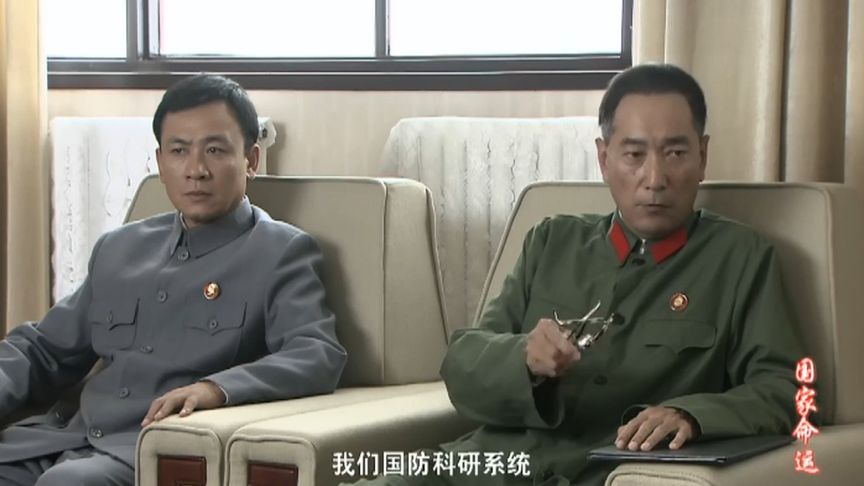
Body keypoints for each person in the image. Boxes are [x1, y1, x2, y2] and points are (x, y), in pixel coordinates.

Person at [352, 64, 804, 486]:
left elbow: (786, 389)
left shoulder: (740, 258)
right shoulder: (551, 241)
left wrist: (693, 416)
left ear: (702, 156)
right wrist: (524, 359)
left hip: (606, 473)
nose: (654, 177)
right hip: (491, 467)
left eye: (675, 153)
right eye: (634, 154)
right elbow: (463, 364)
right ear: (604, 159)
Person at [0, 74, 347, 486]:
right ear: (161, 162)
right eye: (179, 151)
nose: (196, 170)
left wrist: (216, 389)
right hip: (64, 439)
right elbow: (43, 349)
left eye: (215, 150)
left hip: (154, 452)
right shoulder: (120, 247)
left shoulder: (280, 252)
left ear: (251, 160)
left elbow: (316, 353)